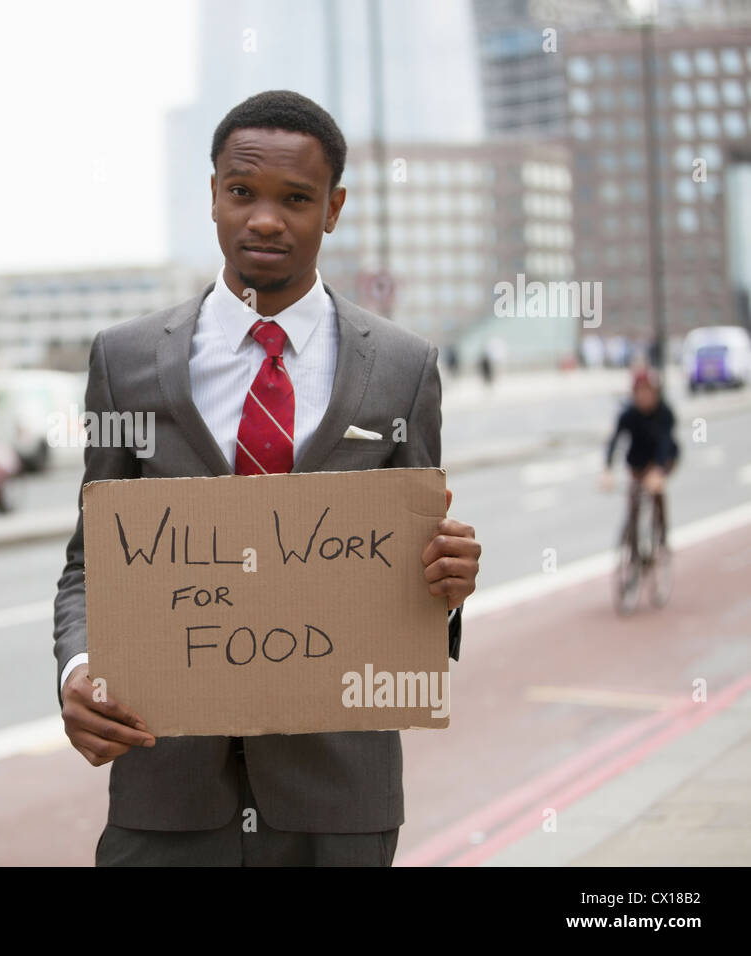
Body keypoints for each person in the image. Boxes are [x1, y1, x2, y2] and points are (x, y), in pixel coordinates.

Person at [52, 90, 481, 867]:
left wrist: (444, 584)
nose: (265, 220)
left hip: (337, 797)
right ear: (213, 193)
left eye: (296, 198)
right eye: (242, 192)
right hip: (168, 788)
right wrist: (80, 671)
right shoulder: (125, 362)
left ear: (334, 207)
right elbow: (90, 565)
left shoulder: (402, 369)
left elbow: (414, 588)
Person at [600, 366, 678, 549]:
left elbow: (665, 443)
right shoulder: (628, 415)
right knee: (634, 498)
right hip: (638, 459)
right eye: (639, 391)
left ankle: (662, 537)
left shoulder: (664, 414)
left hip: (663, 458)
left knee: (656, 491)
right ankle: (634, 547)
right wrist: (608, 469)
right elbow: (615, 440)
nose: (643, 396)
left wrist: (658, 471)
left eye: (647, 391)